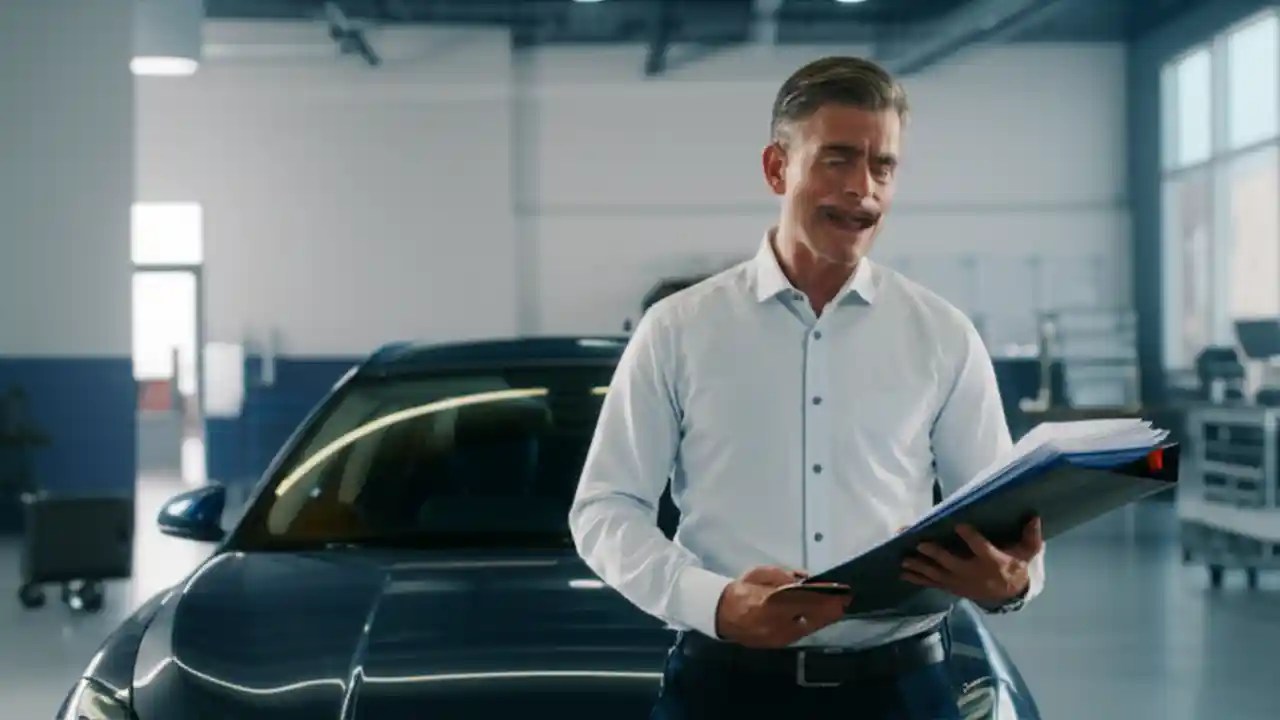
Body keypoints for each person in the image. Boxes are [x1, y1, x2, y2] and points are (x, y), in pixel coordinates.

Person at [568, 55, 1046, 718]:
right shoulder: (678, 330)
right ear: (776, 168)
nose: (863, 189)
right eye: (837, 159)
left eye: (883, 166)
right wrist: (714, 602)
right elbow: (605, 509)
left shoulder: (943, 335)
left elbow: (1003, 514)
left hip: (903, 694)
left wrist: (1013, 583)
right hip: (723, 691)